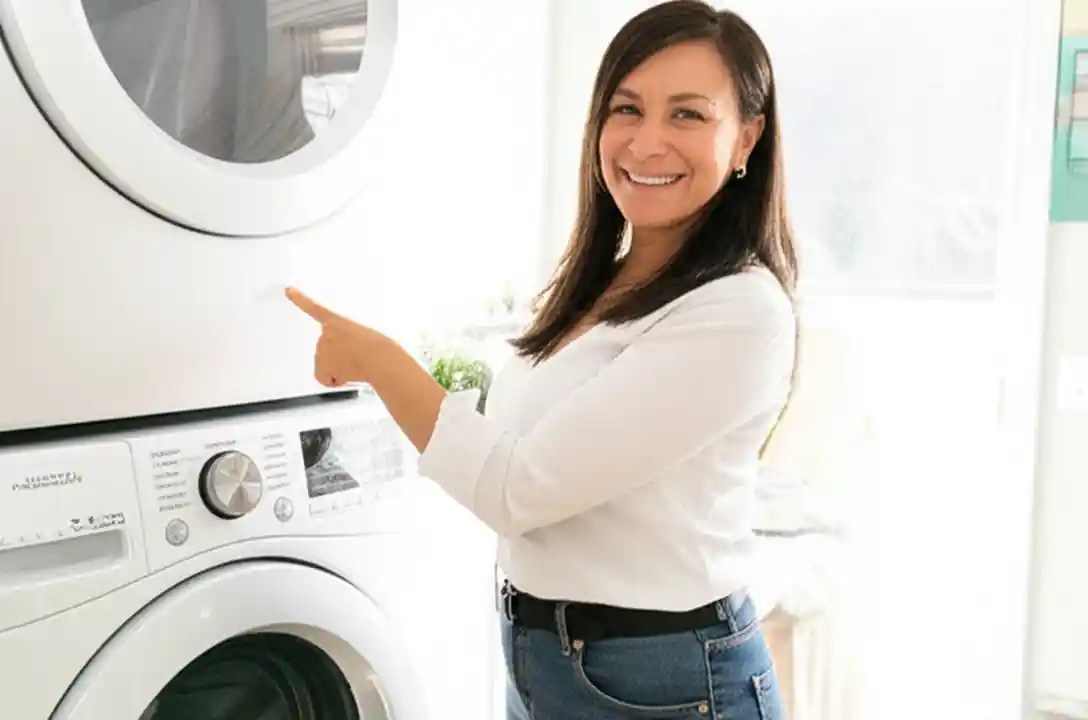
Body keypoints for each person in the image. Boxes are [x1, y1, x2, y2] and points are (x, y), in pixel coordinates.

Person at [286, 1, 798, 717]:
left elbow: (513, 490)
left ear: (746, 138)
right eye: (627, 108)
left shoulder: (740, 311)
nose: (647, 142)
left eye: (687, 115)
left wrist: (380, 360)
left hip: (666, 680)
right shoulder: (598, 284)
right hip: (547, 655)